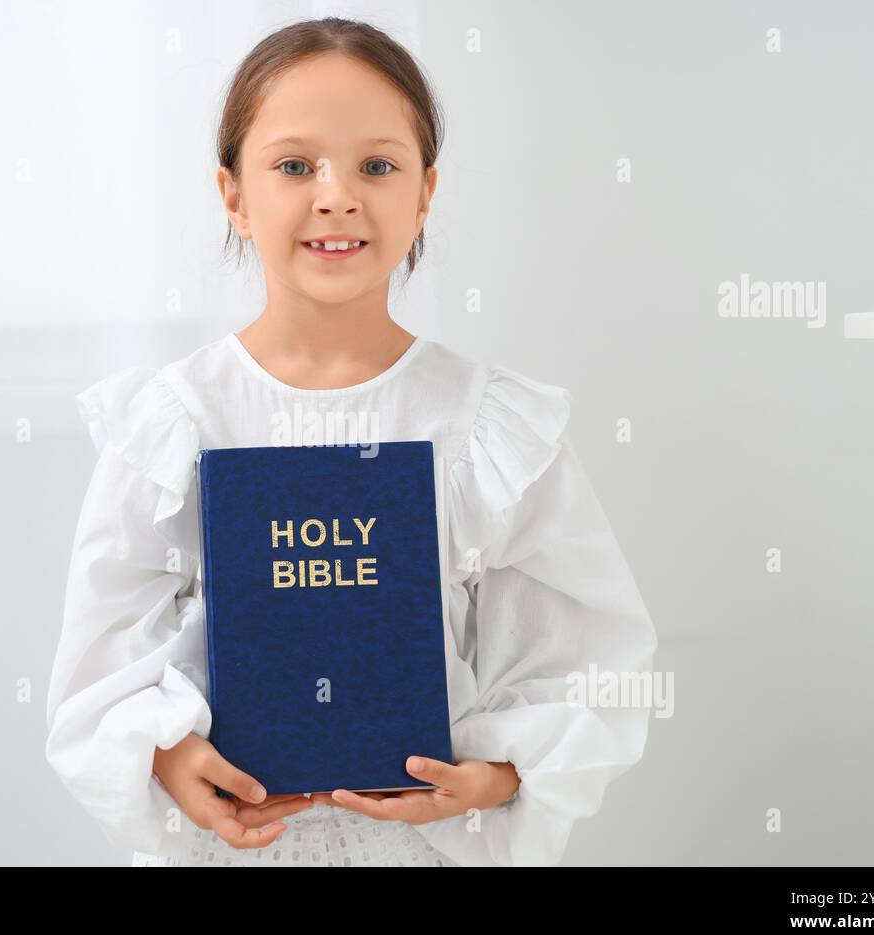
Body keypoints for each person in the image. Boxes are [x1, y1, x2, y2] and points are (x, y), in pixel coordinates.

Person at [44, 16, 658, 867]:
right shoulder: (172, 422)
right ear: (233, 194)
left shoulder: (490, 427)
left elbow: (589, 655)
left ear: (425, 192)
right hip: (233, 847)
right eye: (295, 165)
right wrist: (166, 752)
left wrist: (500, 774)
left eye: (377, 165)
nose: (337, 195)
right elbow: (100, 661)